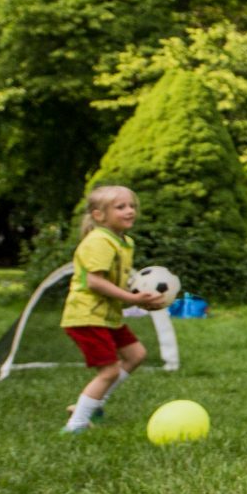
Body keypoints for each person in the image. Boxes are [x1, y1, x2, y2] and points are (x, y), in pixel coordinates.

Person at [59, 186, 169, 434]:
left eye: (132, 206)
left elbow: (114, 280)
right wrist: (133, 298)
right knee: (108, 371)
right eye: (120, 207)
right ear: (99, 215)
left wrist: (141, 296)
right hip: (87, 316)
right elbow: (94, 281)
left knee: (136, 355)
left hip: (107, 316)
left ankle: (93, 404)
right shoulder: (99, 241)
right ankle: (75, 426)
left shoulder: (123, 241)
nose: (130, 211)